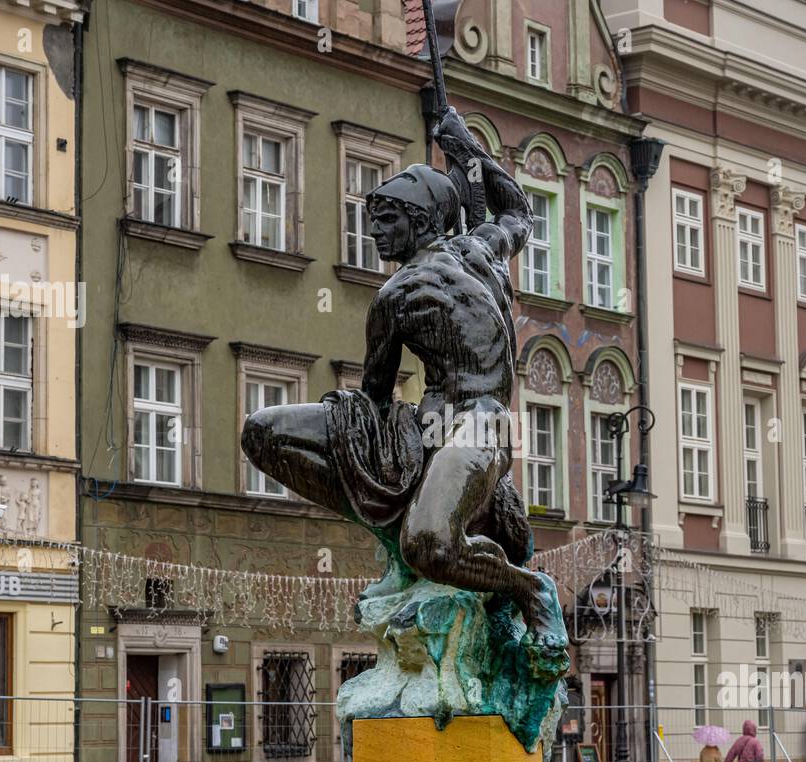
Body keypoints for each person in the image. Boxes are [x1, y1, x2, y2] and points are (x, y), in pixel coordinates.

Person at [242, 107, 565, 653]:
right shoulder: (476, 251)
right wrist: (465, 146)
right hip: (433, 424)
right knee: (264, 431)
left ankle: (530, 589)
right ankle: (402, 542)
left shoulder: (415, 286)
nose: (372, 231)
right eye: (373, 218)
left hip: (482, 425)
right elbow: (515, 210)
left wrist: (463, 147)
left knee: (430, 544)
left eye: (387, 219)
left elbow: (372, 395)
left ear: (419, 221)